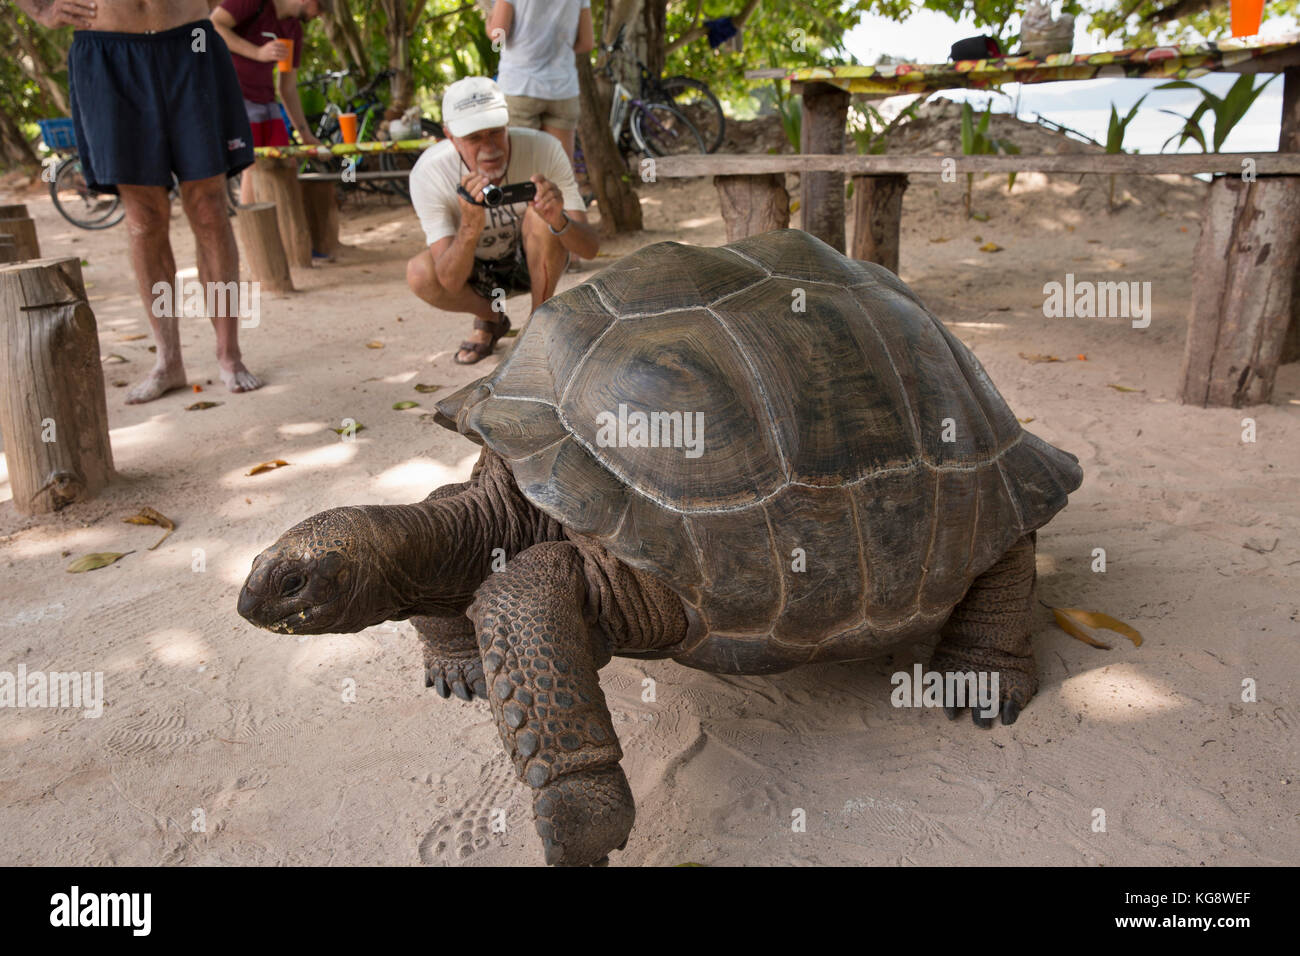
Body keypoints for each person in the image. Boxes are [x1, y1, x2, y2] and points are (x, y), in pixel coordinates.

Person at [18, 0, 262, 403]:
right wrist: (40, 9)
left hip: (191, 41)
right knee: (144, 219)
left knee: (210, 208)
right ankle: (168, 361)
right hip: (108, 50)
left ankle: (229, 354)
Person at [407, 77, 599, 365]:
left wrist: (557, 219)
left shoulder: (543, 148)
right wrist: (470, 227)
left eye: (496, 132)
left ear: (508, 122)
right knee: (419, 273)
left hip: (530, 263)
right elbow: (448, 281)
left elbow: (589, 249)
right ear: (450, 135)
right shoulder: (429, 173)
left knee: (540, 218)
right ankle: (491, 317)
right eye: (474, 138)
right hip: (475, 272)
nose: (490, 147)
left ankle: (538, 328)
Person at [212, 0, 326, 205]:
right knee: (254, 166)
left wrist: (305, 134)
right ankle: (255, 236)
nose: (320, 15)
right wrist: (257, 52)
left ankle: (289, 231)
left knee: (285, 163)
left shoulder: (293, 30)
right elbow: (214, 24)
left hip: (266, 100)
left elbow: (288, 88)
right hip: (234, 94)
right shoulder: (255, 3)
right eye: (321, 7)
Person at [487, 0, 593, 163]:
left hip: (520, 87)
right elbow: (586, 43)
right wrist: (558, 54)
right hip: (562, 88)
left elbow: (498, 36)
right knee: (561, 173)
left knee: (523, 172)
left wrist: (490, 20)